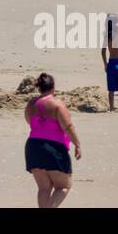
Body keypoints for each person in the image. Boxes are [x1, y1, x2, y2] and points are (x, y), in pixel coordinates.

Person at [24, 72, 81, 207]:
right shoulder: (57, 104)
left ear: (39, 88)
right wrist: (77, 144)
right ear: (53, 88)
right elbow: (68, 126)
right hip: (53, 148)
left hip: (33, 146)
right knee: (63, 187)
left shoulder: (31, 104)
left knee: (44, 188)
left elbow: (29, 121)